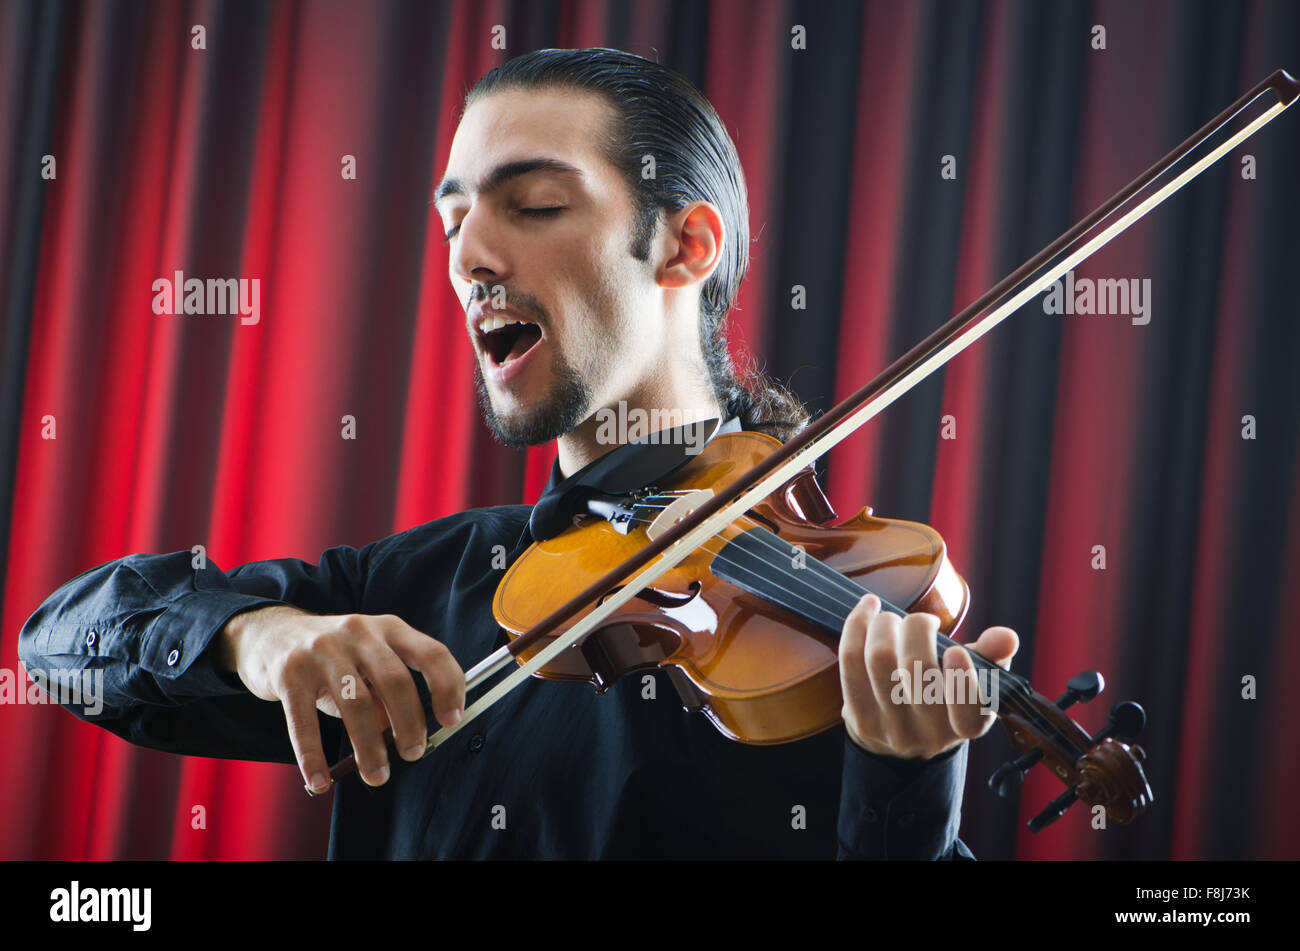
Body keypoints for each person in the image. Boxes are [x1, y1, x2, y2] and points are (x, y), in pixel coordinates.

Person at [19, 47, 1017, 859]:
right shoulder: (415, 594)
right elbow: (58, 644)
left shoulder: (831, 651)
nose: (466, 259)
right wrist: (257, 637)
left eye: (534, 205)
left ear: (684, 246)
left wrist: (905, 798)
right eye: (453, 223)